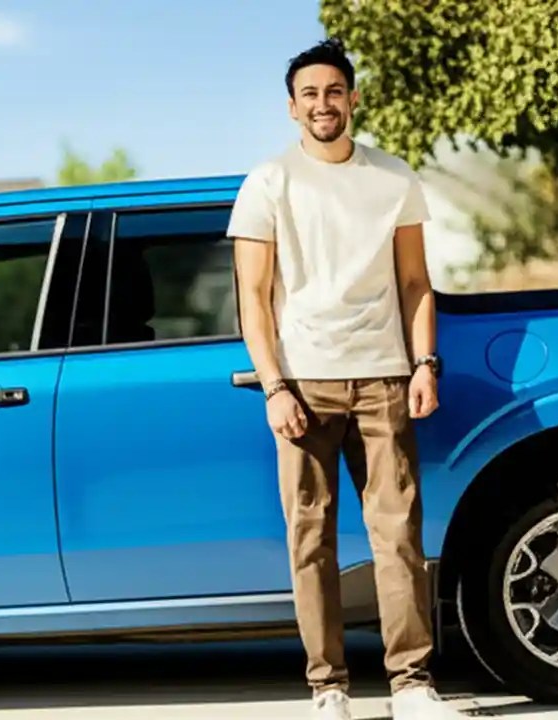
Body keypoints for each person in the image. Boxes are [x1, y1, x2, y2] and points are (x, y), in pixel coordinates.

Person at [228, 39, 464, 720]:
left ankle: (412, 685)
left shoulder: (393, 179)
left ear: (353, 98)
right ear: (292, 107)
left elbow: (416, 283)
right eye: (310, 94)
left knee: (399, 539)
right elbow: (253, 296)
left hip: (384, 380)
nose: (323, 104)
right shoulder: (268, 182)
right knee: (312, 541)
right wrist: (274, 387)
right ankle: (328, 689)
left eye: (335, 91)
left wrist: (424, 365)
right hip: (303, 385)